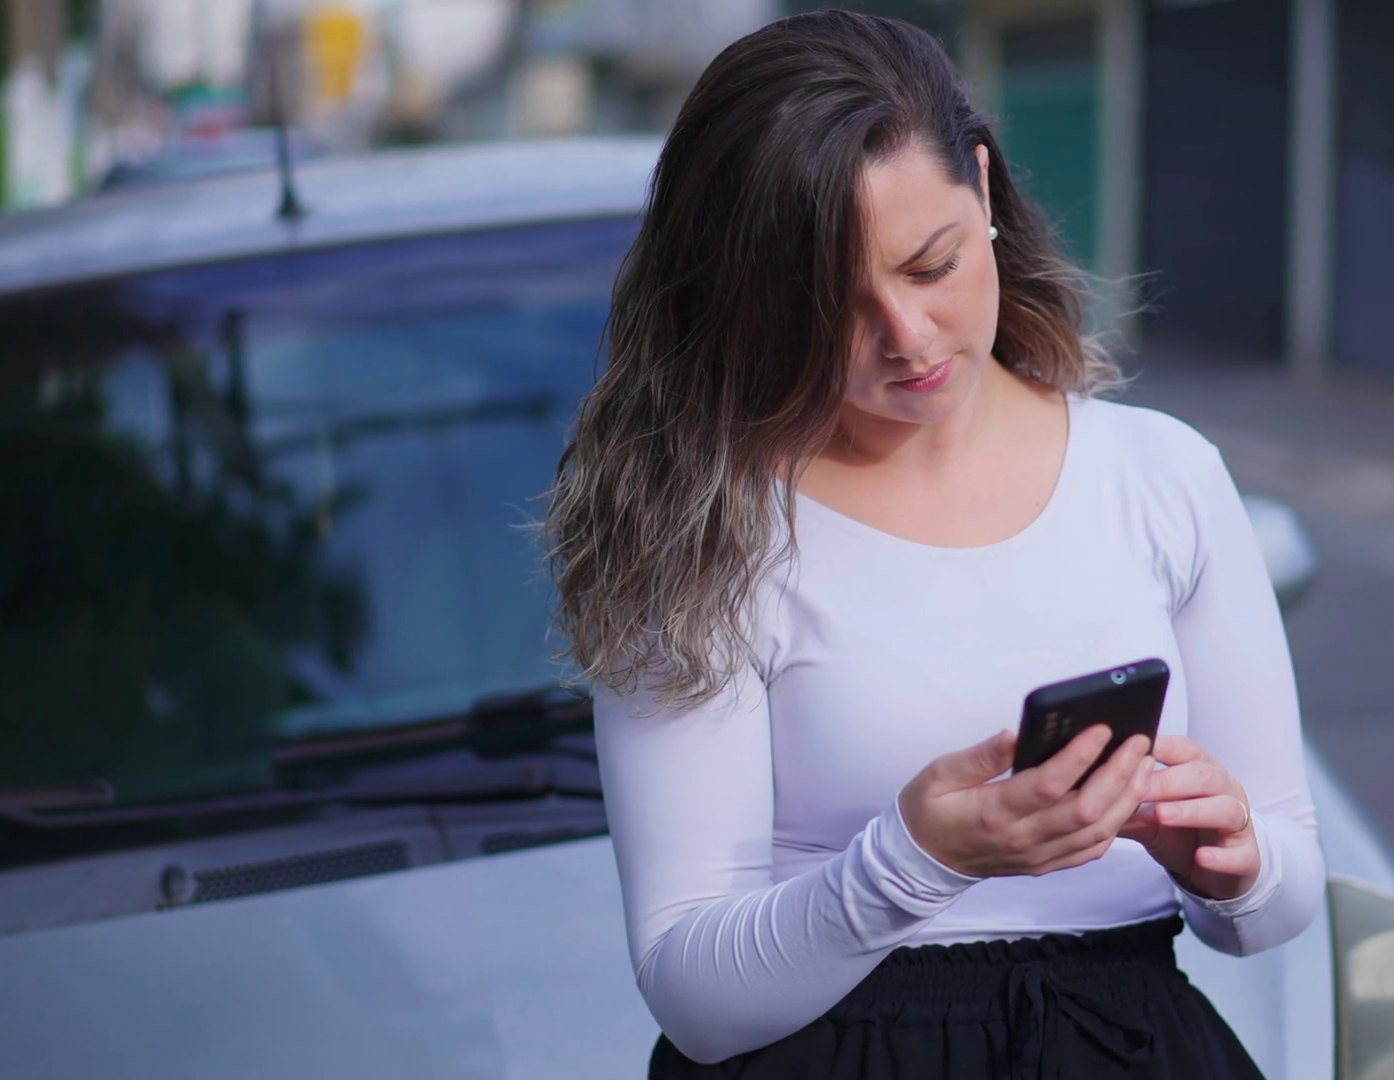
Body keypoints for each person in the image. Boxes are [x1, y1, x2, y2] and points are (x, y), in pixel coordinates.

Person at [544, 11, 1323, 1078]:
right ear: (745, 303)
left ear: (989, 193)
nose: (907, 338)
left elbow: (1280, 905)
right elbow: (696, 996)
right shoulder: (700, 522)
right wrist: (916, 861)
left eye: (930, 264)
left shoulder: (1160, 476)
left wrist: (1227, 861)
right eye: (831, 306)